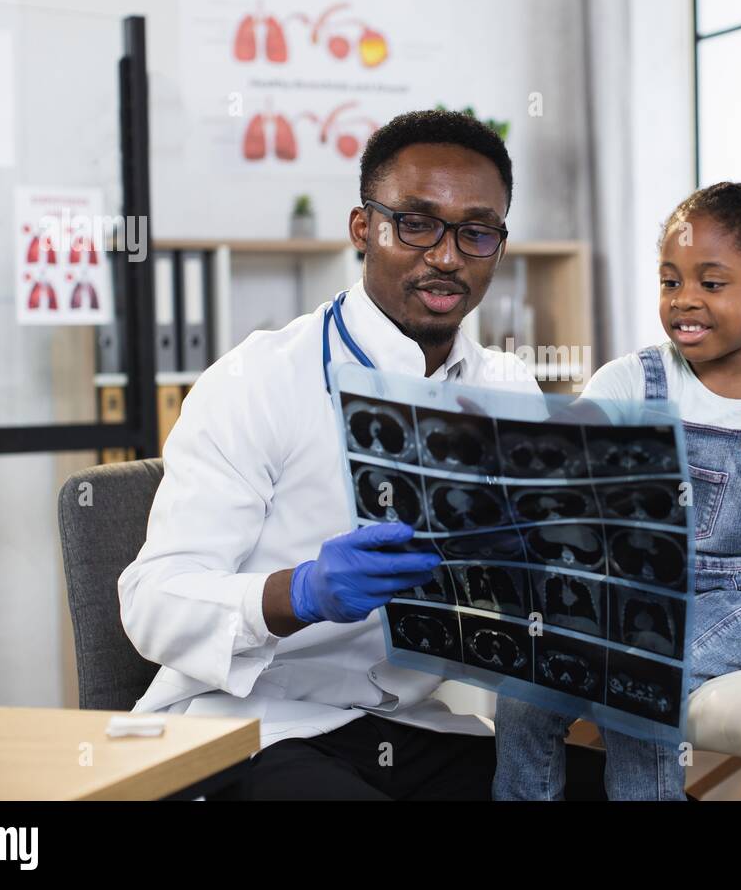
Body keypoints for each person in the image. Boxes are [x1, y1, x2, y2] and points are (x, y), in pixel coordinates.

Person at [119, 109, 604, 799]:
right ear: (361, 228)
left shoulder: (508, 390)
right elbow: (149, 602)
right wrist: (300, 592)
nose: (446, 255)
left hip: (410, 727)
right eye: (415, 223)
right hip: (255, 726)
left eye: (476, 231)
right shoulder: (259, 378)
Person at [493, 177, 741, 801]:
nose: (685, 300)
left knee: (642, 675)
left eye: (711, 284)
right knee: (524, 688)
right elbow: (560, 479)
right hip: (639, 586)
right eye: (671, 281)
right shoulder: (627, 381)